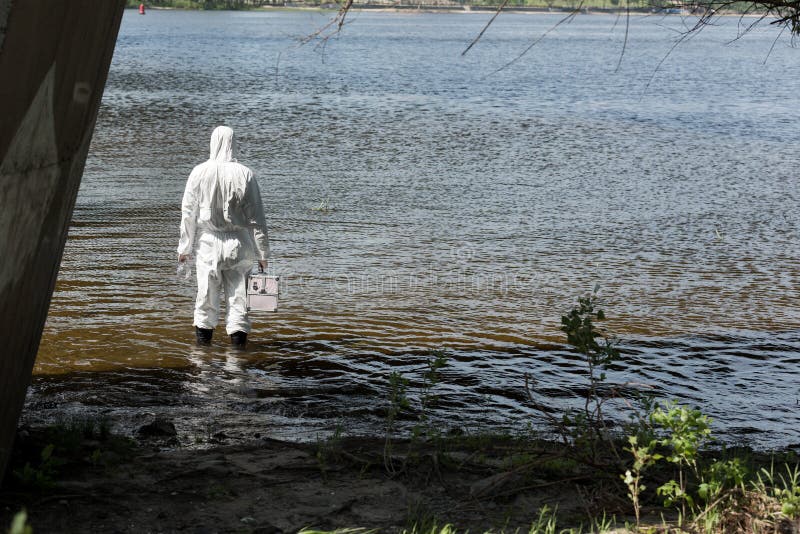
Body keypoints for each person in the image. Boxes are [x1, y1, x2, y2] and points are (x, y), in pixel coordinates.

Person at [177, 126, 269, 347]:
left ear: (212, 143)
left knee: (205, 300)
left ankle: (202, 356)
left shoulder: (198, 172)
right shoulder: (245, 173)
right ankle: (237, 359)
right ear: (233, 144)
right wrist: (263, 254)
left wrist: (185, 248)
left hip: (208, 243)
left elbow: (188, 214)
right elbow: (256, 218)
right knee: (239, 302)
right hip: (239, 244)